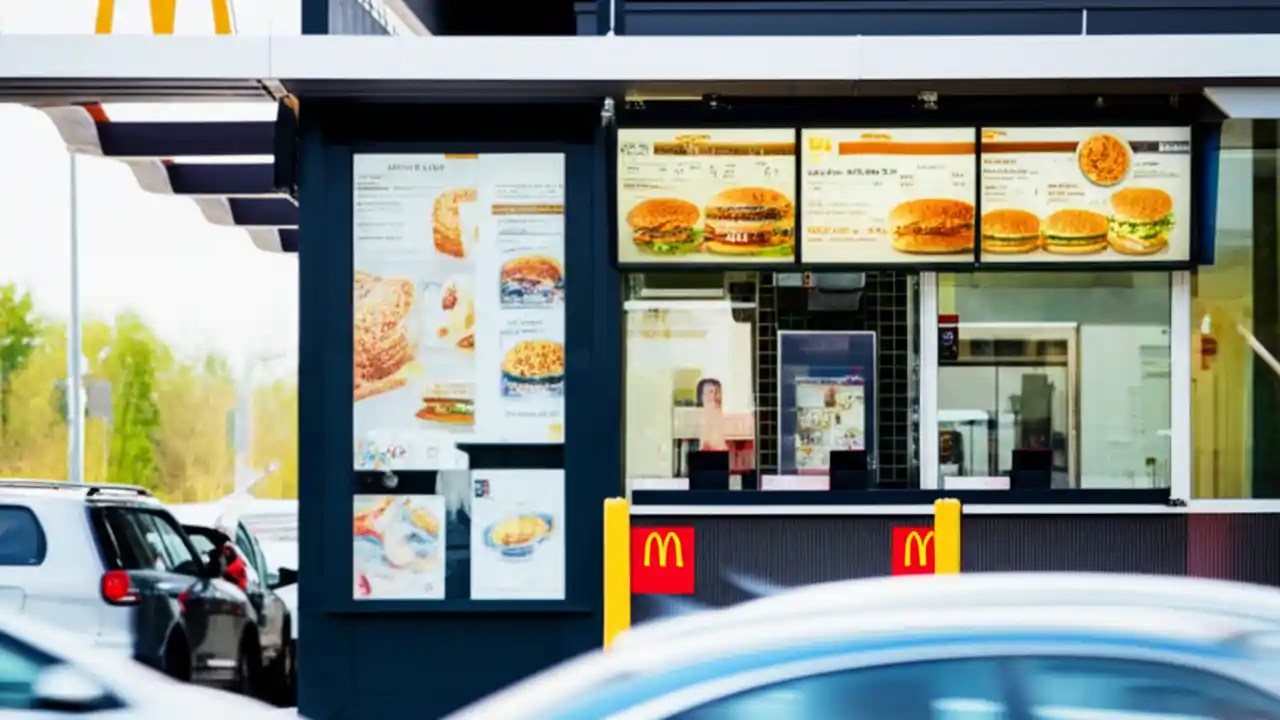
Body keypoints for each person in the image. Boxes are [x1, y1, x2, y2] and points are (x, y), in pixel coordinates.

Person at [696, 377, 727, 451]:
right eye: (710, 392)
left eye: (717, 392)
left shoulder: (719, 417)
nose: (714, 396)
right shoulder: (701, 418)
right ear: (701, 396)